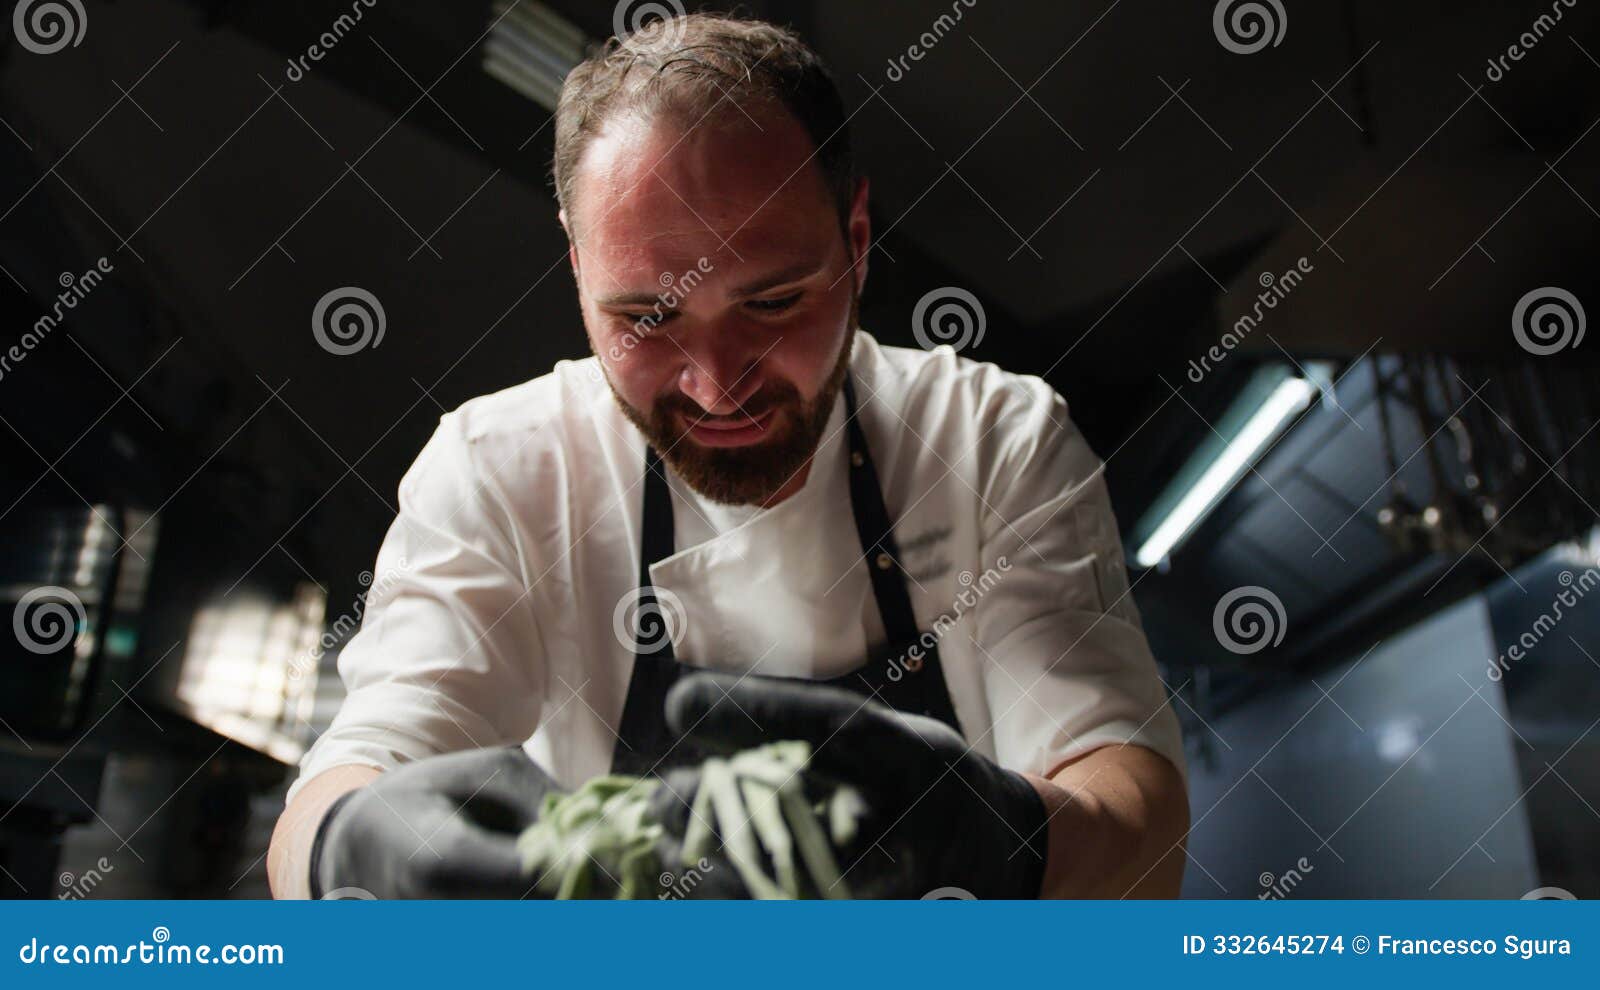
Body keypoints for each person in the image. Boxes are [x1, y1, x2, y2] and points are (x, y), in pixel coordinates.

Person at [267, 12, 1188, 900]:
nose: (716, 385)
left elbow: (1133, 814)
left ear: (856, 242)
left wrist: (1000, 839)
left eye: (775, 302)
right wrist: (349, 847)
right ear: (580, 270)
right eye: (645, 319)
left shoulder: (989, 439)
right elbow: (365, 759)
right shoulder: (502, 467)